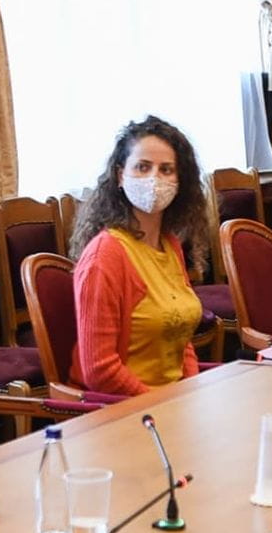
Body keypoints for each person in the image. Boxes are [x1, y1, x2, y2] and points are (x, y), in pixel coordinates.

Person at [68, 115, 208, 396]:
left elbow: (181, 341)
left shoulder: (170, 245)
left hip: (172, 402)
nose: (155, 179)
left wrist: (190, 392)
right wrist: (159, 403)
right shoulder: (104, 256)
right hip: (122, 410)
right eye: (143, 167)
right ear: (121, 175)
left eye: (167, 169)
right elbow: (100, 370)